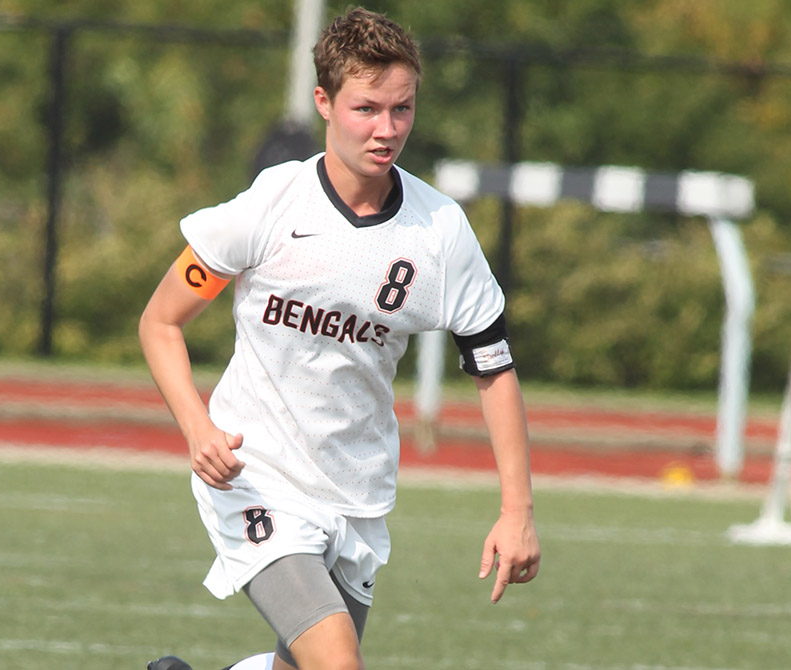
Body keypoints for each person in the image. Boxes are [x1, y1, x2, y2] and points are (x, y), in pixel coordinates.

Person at [139, 7, 541, 670]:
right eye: (366, 109)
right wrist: (197, 428)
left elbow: (493, 369)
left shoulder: (439, 232)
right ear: (324, 103)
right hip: (256, 477)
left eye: (402, 109)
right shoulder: (272, 205)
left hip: (357, 494)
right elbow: (160, 322)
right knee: (337, 662)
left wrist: (517, 509)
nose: (387, 129)